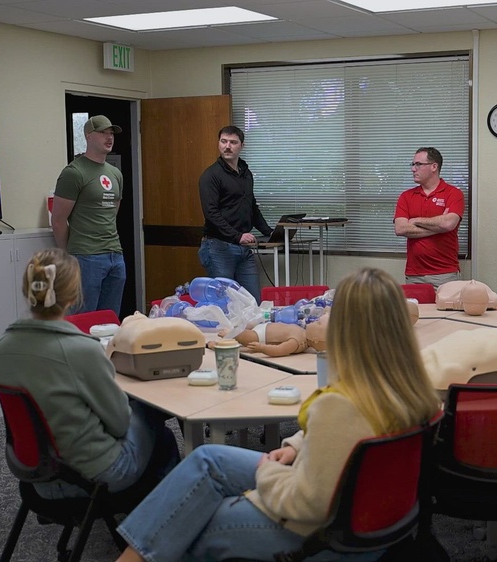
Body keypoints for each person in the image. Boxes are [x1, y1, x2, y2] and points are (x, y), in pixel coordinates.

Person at [115, 267, 441, 562]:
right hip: (374, 520)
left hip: (319, 533)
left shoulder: (341, 406)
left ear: (347, 330)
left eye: (332, 313)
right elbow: (344, 433)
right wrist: (298, 445)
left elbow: (306, 503)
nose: (323, 316)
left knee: (187, 523)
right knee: (208, 460)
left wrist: (266, 474)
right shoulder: (412, 390)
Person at [0, 249, 178, 500]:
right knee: (150, 415)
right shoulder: (82, 351)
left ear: (28, 290)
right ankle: (164, 519)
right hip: (99, 475)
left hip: (38, 478)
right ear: (75, 295)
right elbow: (119, 424)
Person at [52, 115, 125, 316]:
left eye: (111, 134)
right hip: (86, 255)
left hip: (114, 254)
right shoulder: (74, 172)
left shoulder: (115, 173)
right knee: (81, 319)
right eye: (103, 132)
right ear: (89, 136)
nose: (109, 137)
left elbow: (112, 212)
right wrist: (68, 255)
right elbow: (58, 220)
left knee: (109, 321)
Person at [198, 125, 273, 301]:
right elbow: (211, 213)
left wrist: (270, 232)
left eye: (233, 142)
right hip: (219, 247)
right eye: (223, 141)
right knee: (225, 303)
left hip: (243, 249)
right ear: (218, 144)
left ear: (241, 146)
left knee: (252, 301)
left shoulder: (245, 174)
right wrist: (237, 236)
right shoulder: (211, 176)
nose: (227, 146)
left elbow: (251, 207)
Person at [394, 147, 464, 290]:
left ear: (434, 167)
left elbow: (449, 223)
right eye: (412, 164)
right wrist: (439, 227)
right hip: (414, 275)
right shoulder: (406, 196)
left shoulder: (453, 194)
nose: (413, 169)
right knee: (414, 313)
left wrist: (415, 220)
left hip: (445, 274)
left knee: (446, 313)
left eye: (418, 164)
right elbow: (400, 228)